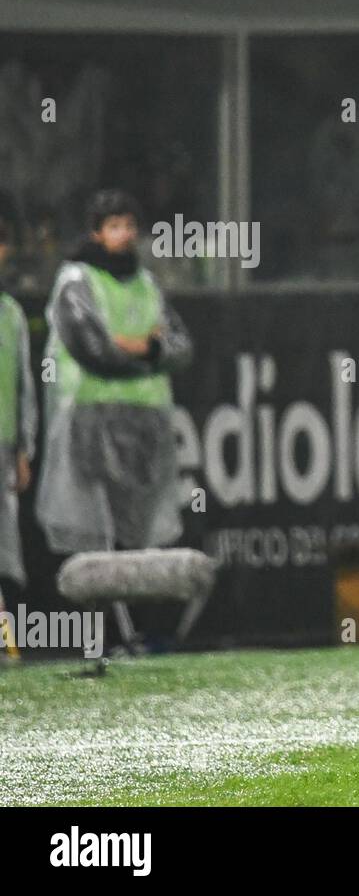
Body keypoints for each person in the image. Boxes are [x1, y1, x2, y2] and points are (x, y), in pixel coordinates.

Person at [36, 189, 193, 650]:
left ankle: (139, 635)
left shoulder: (146, 283)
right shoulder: (76, 281)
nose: (124, 236)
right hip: (89, 420)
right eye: (114, 227)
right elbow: (94, 351)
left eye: (129, 226)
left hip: (144, 424)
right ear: (96, 232)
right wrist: (151, 350)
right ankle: (96, 638)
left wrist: (140, 347)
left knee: (137, 537)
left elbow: (181, 347)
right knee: (93, 538)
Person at [0, 216, 38, 636]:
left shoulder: (11, 314)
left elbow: (25, 385)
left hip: (4, 446)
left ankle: (6, 635)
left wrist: (24, 449)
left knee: (4, 548)